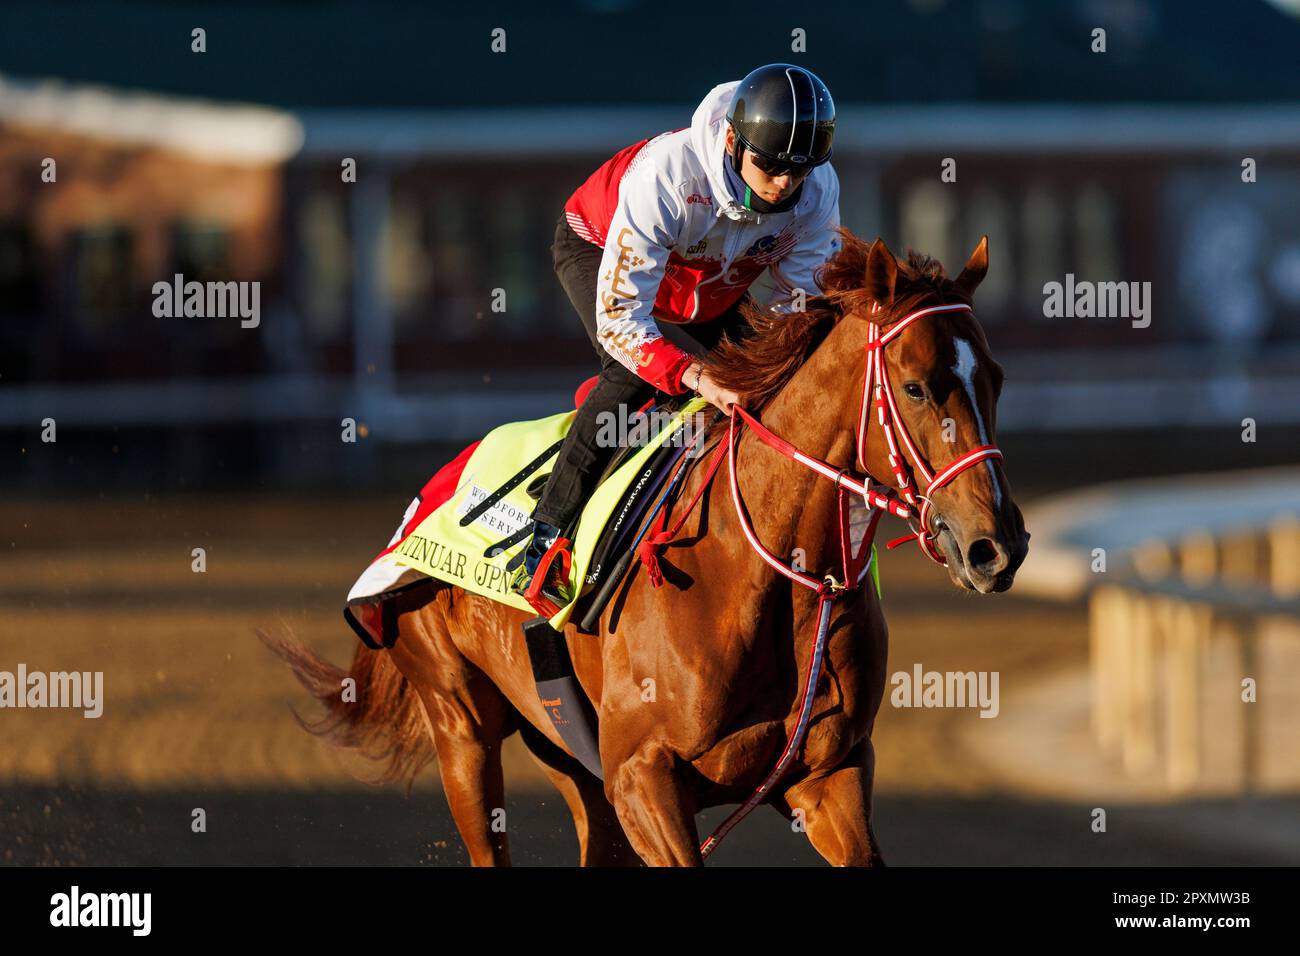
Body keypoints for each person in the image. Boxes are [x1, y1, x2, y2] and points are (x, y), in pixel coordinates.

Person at [511, 63, 842, 608]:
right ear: (733, 141)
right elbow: (623, 323)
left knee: (771, 379)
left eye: (802, 168)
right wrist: (694, 373)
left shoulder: (816, 192)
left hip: (707, 279)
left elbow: (797, 312)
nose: (785, 183)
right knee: (635, 377)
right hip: (597, 246)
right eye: (772, 164)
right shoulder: (668, 174)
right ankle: (548, 529)